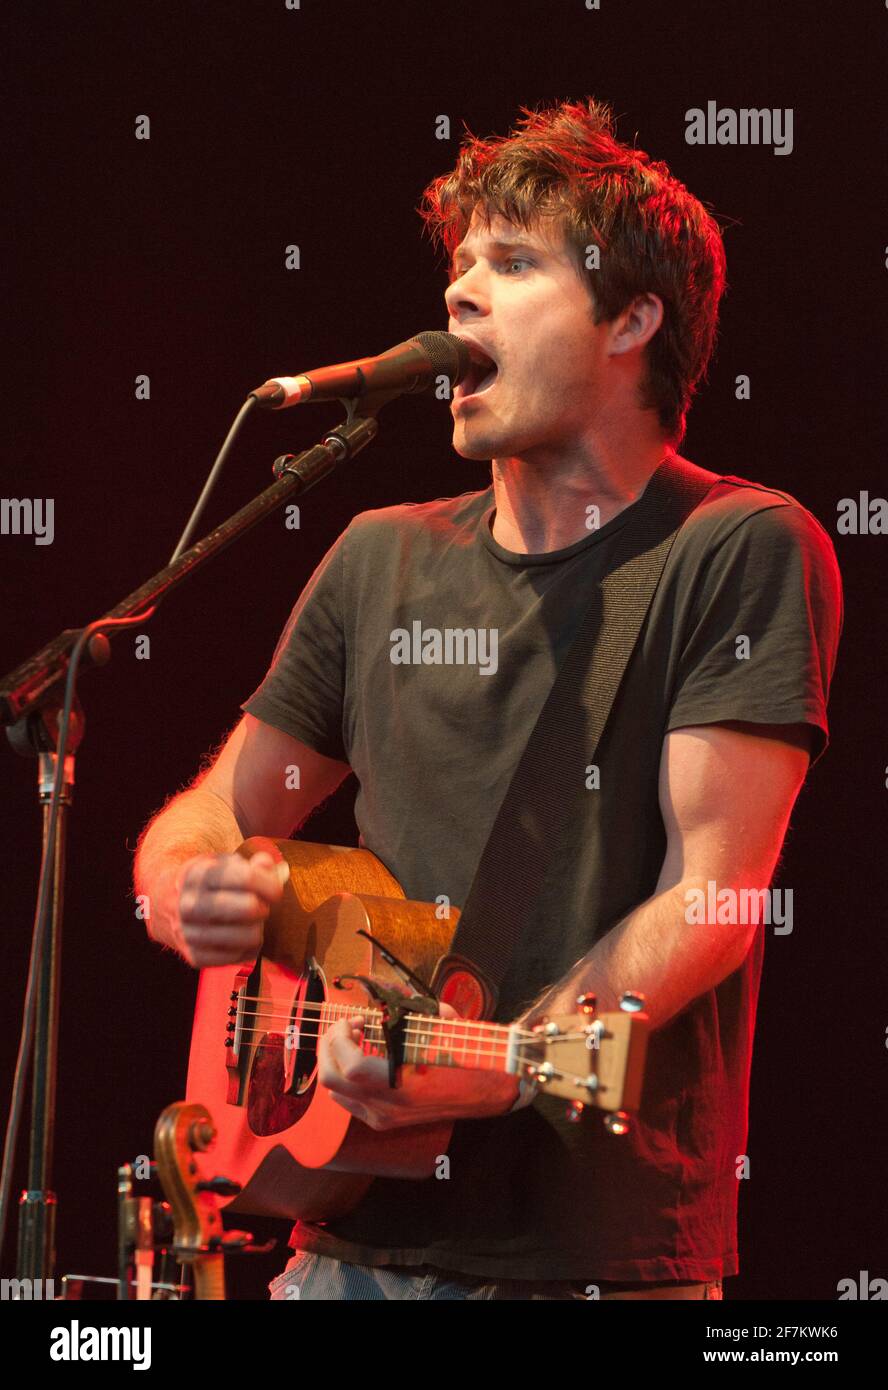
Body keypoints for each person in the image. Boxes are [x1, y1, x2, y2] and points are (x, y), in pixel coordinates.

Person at [133, 98, 843, 1301]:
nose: (460, 295)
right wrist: (190, 886)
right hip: (339, 1250)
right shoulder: (377, 556)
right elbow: (217, 812)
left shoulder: (737, 546)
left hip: (591, 1264)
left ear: (634, 316)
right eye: (459, 266)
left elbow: (716, 892)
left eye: (513, 265)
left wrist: (514, 1066)